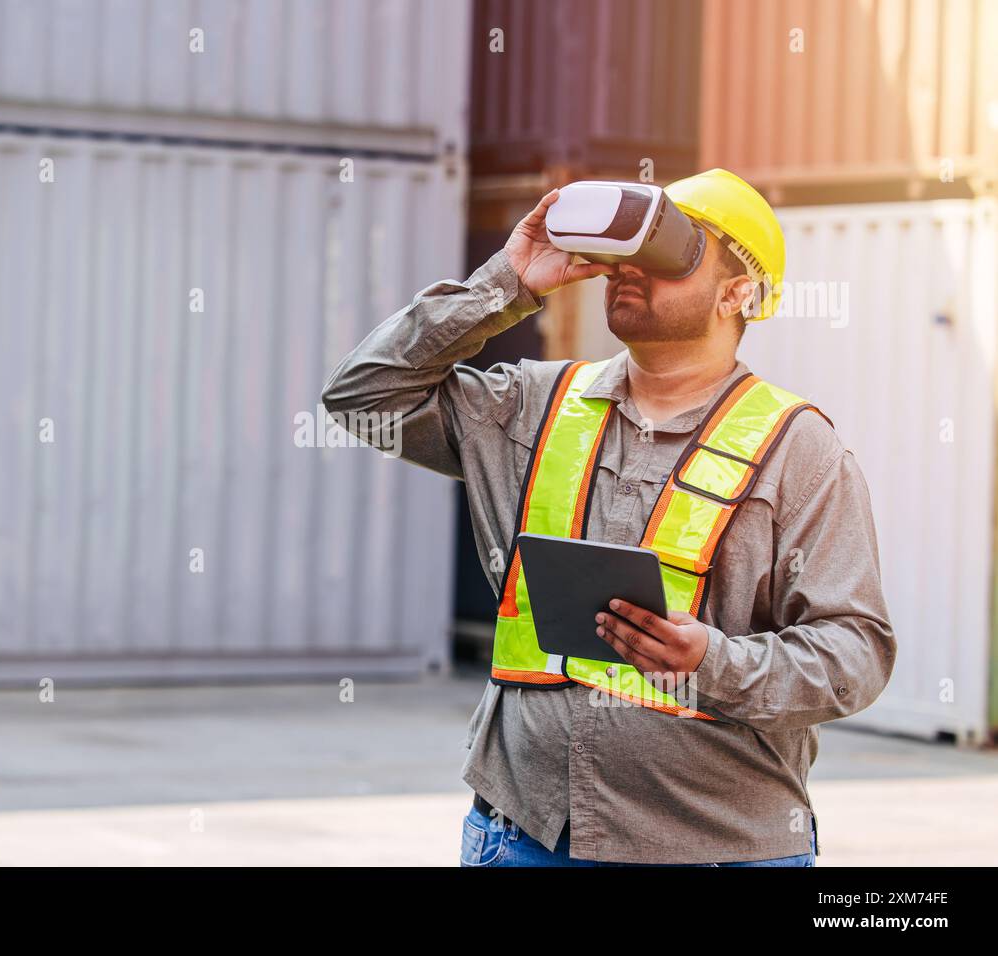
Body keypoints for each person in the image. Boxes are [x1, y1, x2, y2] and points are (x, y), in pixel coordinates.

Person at [320, 169, 896, 866]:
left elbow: (855, 654)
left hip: (717, 848)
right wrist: (507, 281)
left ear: (737, 293)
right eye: (627, 253)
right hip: (524, 834)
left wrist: (714, 660)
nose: (630, 272)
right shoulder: (529, 403)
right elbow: (362, 400)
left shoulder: (800, 450)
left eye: (670, 252)